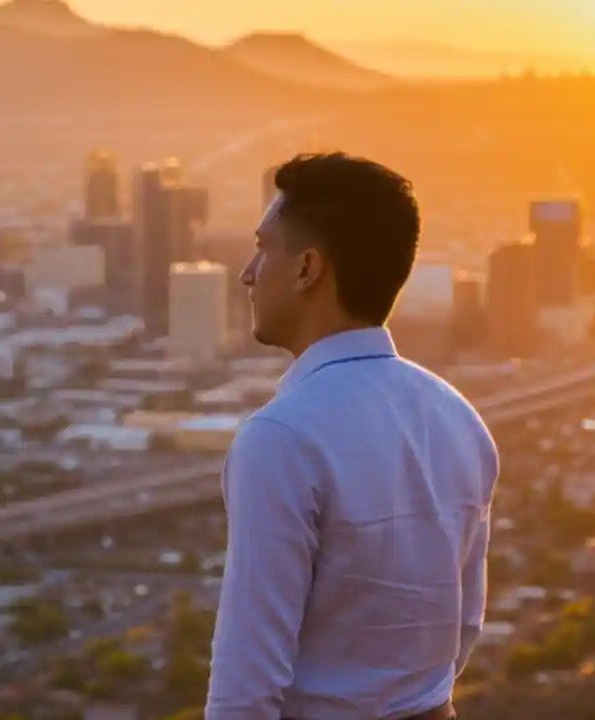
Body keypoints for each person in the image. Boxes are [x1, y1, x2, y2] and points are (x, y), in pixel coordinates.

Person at [205, 153, 499, 720]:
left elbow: (247, 681)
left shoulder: (281, 438)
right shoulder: (458, 418)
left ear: (307, 269)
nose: (247, 272)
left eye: (264, 248)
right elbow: (462, 627)